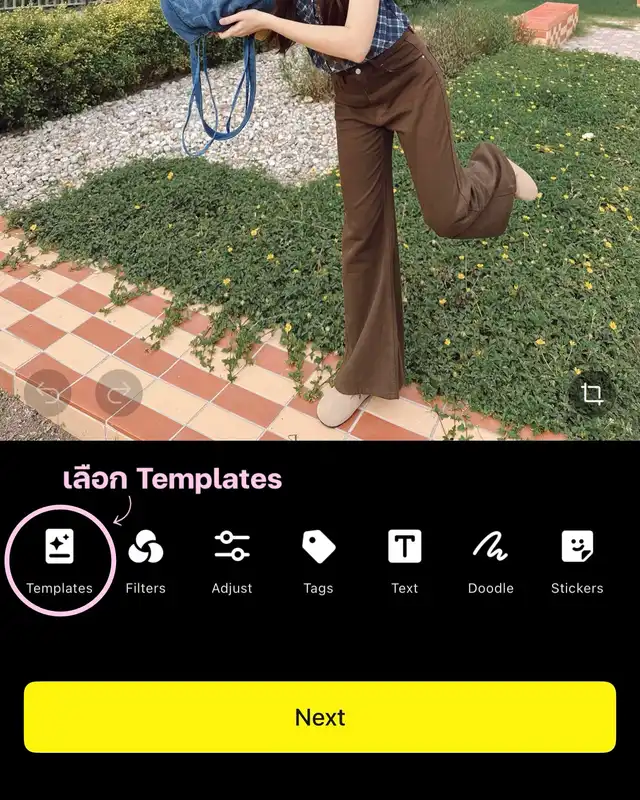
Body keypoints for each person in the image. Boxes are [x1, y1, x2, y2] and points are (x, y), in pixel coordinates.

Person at [218, 0, 538, 427]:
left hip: (405, 79)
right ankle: (362, 374)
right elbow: (278, 22)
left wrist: (266, 20)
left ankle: (496, 170)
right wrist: (226, 18)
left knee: (447, 214)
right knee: (362, 230)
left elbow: (354, 42)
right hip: (352, 95)